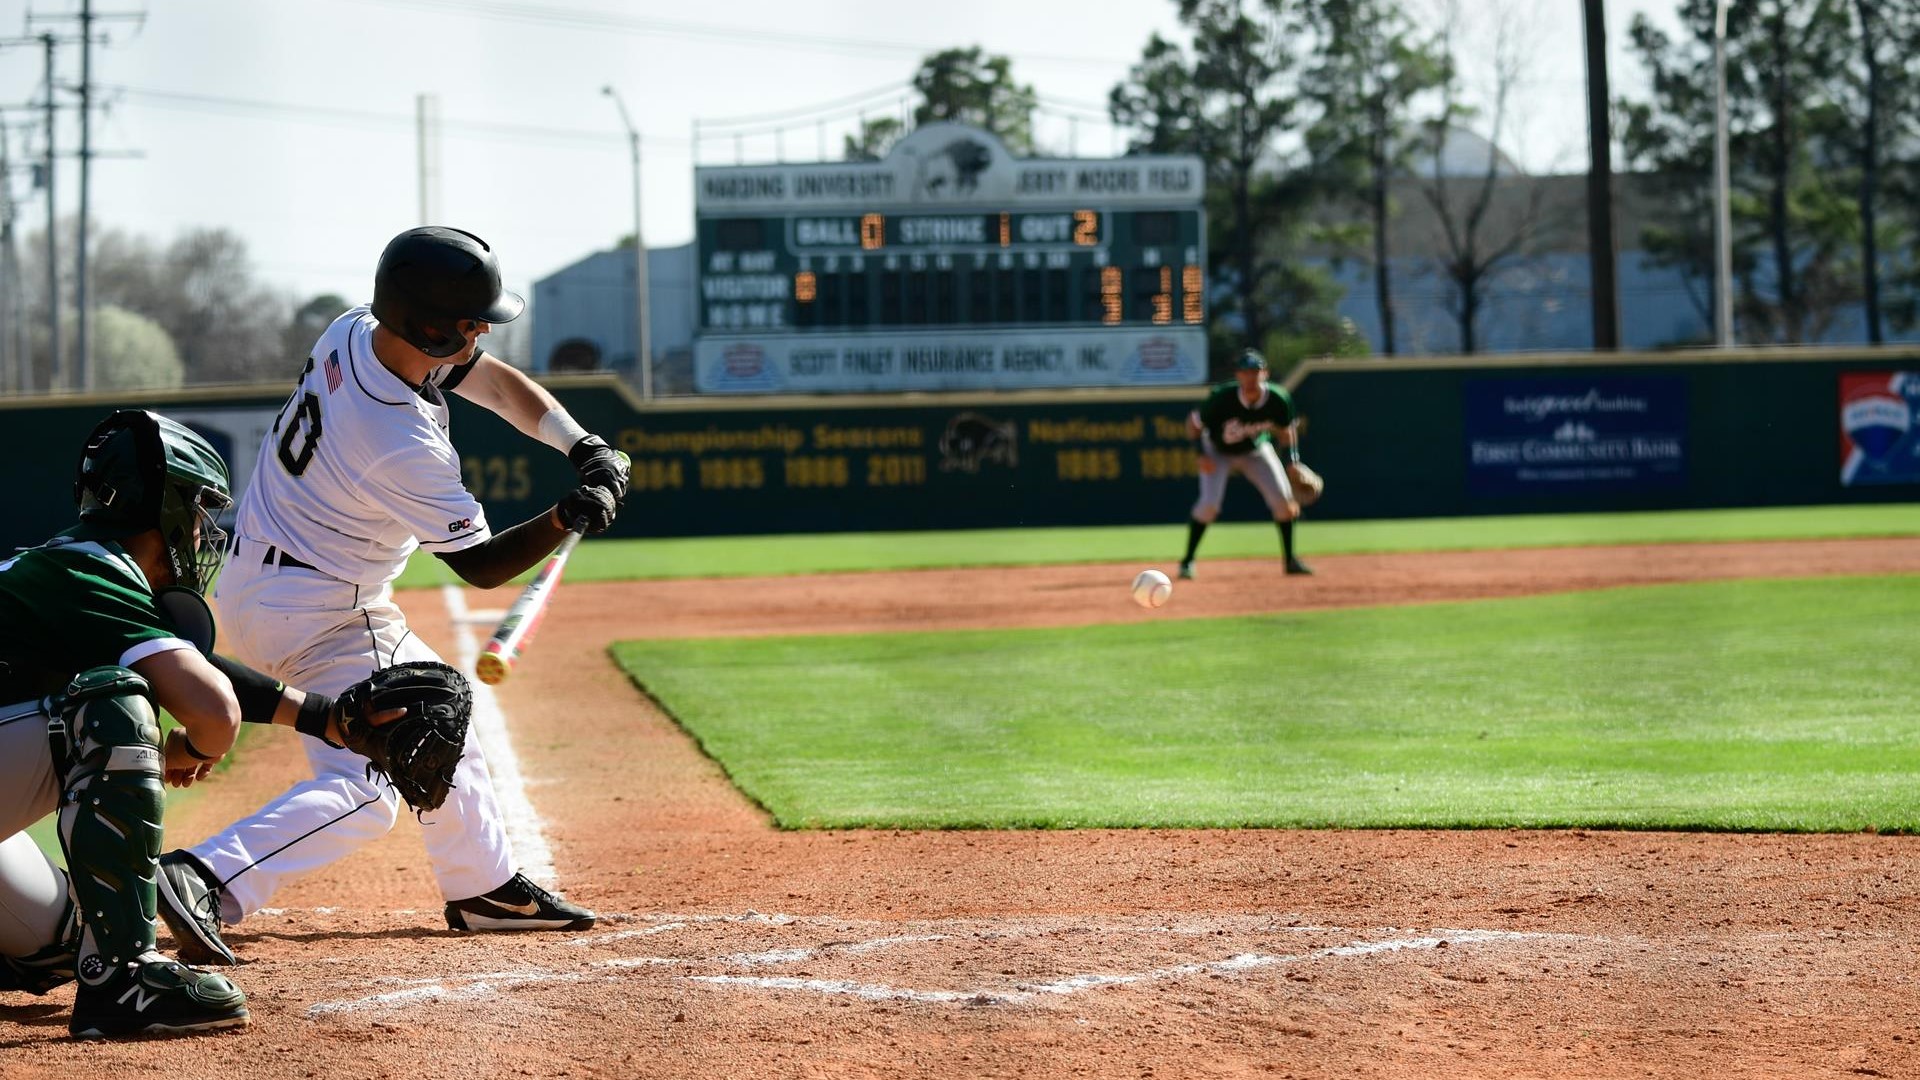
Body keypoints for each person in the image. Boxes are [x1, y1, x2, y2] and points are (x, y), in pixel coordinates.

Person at [154, 226, 631, 968]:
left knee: (442, 708)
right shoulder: (396, 437)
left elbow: (491, 379)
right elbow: (478, 565)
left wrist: (582, 447)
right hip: (326, 611)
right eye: (470, 320)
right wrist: (569, 514)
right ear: (431, 327)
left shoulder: (357, 330)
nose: (481, 331)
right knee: (371, 782)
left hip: (266, 581)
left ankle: (486, 887)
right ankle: (204, 876)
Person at [0, 410, 395, 1037]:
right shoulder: (93, 566)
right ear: (166, 506)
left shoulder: (67, 568)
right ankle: (126, 979)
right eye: (201, 509)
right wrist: (181, 745)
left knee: (58, 941)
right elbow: (213, 707)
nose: (208, 530)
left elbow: (190, 667)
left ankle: (103, 958)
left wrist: (326, 718)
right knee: (111, 705)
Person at [1176, 349, 1312, 579]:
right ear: (1238, 375)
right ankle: (1187, 562)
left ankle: (1290, 560)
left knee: (1284, 503)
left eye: (1255, 372)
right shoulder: (1222, 397)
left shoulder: (1278, 399)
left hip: (1255, 450)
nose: (1251, 377)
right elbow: (1193, 423)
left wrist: (1292, 460)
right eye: (1246, 372)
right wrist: (1201, 455)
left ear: (1265, 373)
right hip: (1217, 451)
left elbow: (1286, 432)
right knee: (1209, 505)